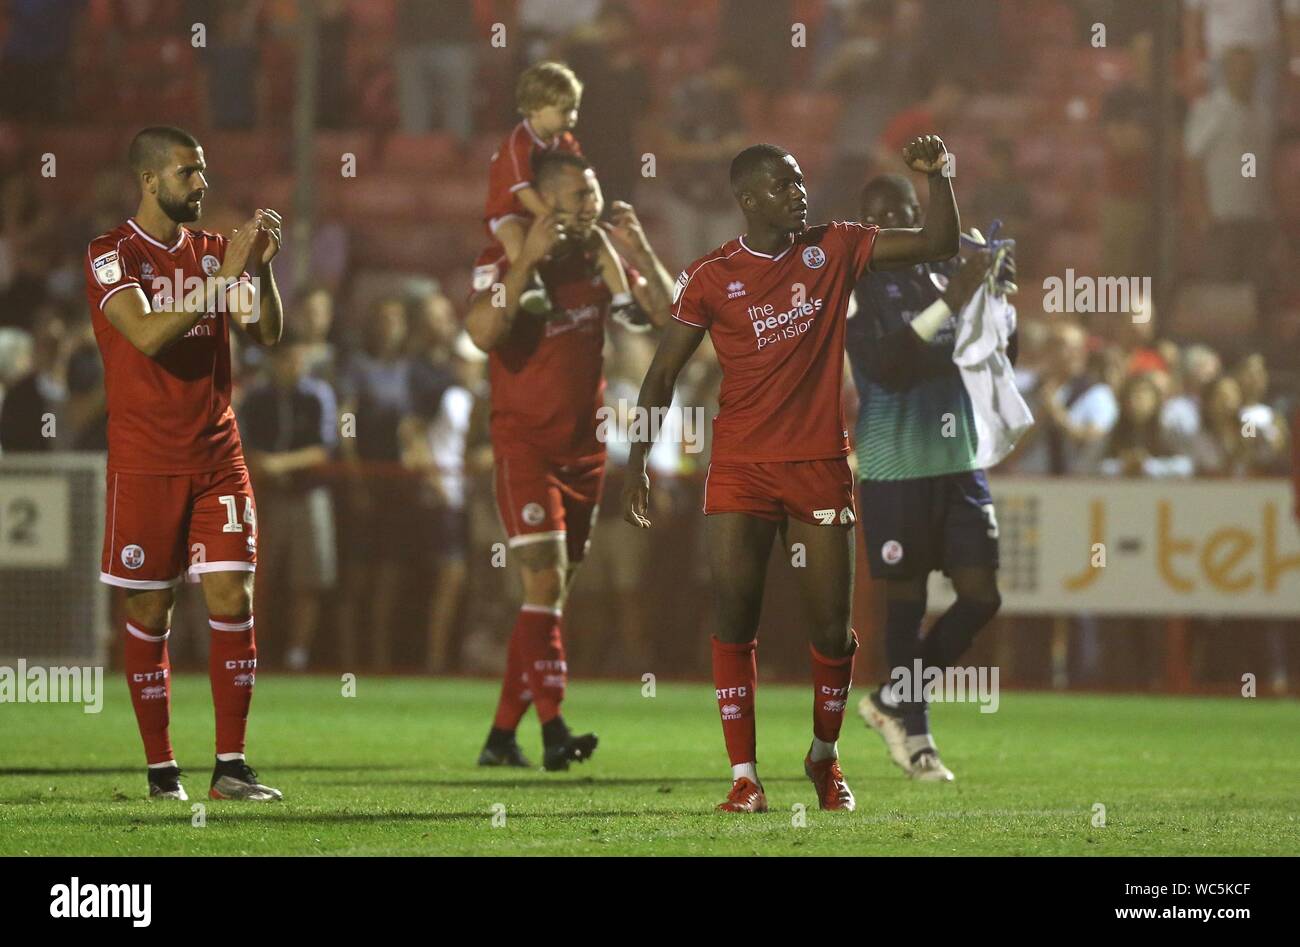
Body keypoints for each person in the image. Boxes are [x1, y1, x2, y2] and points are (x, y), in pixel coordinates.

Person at [623, 135, 961, 814]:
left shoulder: (833, 246)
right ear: (748, 199)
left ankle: (823, 755)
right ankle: (745, 776)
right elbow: (661, 373)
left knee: (832, 631)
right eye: (783, 184)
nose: (799, 192)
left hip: (819, 465)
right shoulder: (711, 275)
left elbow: (936, 244)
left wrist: (938, 178)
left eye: (801, 180)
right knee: (733, 618)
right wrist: (638, 458)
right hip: (741, 467)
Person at [83, 126, 284, 802]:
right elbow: (143, 334)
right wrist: (220, 280)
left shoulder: (213, 252)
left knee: (232, 593)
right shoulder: (110, 254)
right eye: (187, 172)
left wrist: (258, 268)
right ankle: (162, 770)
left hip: (217, 452)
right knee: (152, 607)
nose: (202, 184)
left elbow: (265, 330)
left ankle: (231, 765)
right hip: (145, 460)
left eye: (203, 171)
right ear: (149, 180)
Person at [466, 153, 673, 771]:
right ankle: (554, 729)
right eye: (578, 195)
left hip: (584, 454)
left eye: (594, 190)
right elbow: (480, 334)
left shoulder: (598, 260)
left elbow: (667, 316)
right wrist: (526, 259)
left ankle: (501, 737)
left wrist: (642, 254)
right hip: (524, 449)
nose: (591, 204)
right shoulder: (503, 260)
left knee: (547, 601)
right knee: (545, 584)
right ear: (545, 202)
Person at [846, 174, 1012, 782]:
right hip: (895, 461)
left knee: (981, 596)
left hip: (959, 457)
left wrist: (995, 302)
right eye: (880, 215)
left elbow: (999, 360)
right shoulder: (854, 282)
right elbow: (884, 366)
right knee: (907, 603)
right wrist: (955, 299)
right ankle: (917, 736)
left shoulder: (946, 271)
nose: (897, 223)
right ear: (865, 225)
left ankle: (892, 698)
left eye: (907, 212)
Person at [483, 61, 639, 324]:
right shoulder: (518, 144)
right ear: (535, 109)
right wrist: (555, 218)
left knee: (596, 237)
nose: (572, 118)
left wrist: (590, 204)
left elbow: (581, 173)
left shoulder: (564, 140)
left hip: (550, 209)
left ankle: (623, 301)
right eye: (565, 111)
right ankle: (530, 283)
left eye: (574, 110)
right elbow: (523, 193)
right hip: (509, 211)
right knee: (513, 235)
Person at [239, 330, 339, 672]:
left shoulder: (318, 396)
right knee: (257, 575)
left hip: (308, 494)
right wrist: (261, 466)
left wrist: (278, 464)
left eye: (299, 359)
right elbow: (242, 443)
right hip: (266, 496)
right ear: (274, 361)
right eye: (287, 359)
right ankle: (251, 648)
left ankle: (298, 654)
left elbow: (324, 449)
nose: (294, 366)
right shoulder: (255, 399)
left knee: (307, 579)